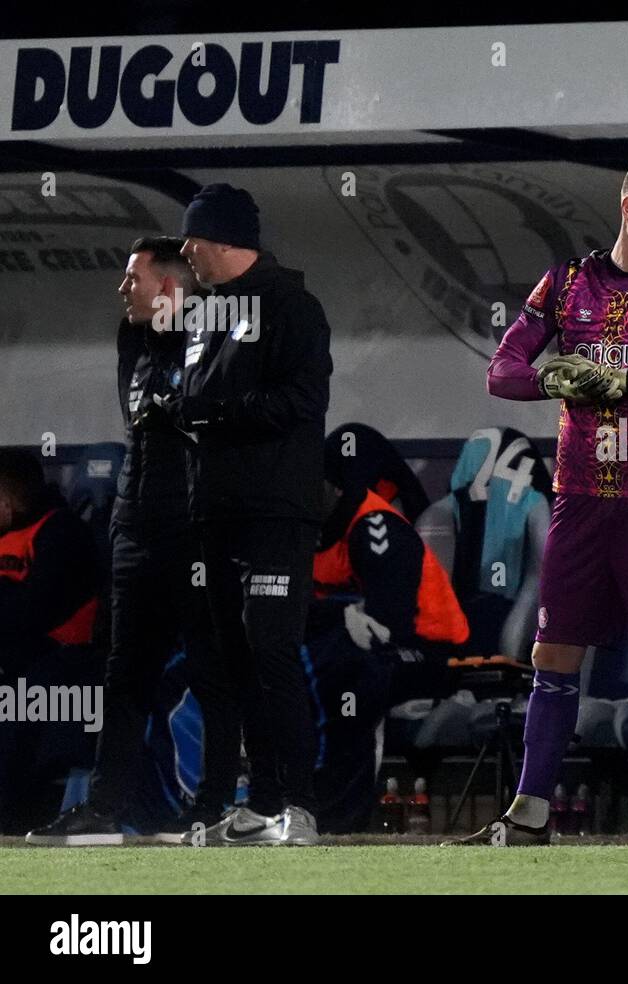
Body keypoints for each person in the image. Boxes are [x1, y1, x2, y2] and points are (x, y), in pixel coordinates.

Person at [451, 157, 628, 846]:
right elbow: (503, 371)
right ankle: (530, 814)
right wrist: (553, 382)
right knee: (553, 655)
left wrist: (614, 373)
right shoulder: (566, 282)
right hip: (577, 497)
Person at [27, 237, 242, 846]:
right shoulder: (132, 338)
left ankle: (215, 805)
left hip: (195, 528)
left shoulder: (217, 337)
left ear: (172, 287)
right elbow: (139, 426)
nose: (123, 289)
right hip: (137, 526)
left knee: (210, 669)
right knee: (124, 674)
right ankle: (104, 807)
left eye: (135, 279)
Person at [168, 183, 333, 846]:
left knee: (272, 649)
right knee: (229, 661)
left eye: (194, 238)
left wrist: (220, 413)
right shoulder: (206, 314)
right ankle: (260, 803)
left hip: (275, 511)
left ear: (224, 239)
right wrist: (186, 409)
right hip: (215, 508)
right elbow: (194, 397)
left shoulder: (293, 305)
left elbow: (303, 398)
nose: (185, 251)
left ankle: (300, 805)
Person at [307, 432, 470, 832]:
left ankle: (343, 819)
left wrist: (331, 617)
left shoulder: (376, 527)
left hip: (430, 651)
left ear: (332, 487)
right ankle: (285, 800)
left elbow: (384, 626)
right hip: (358, 645)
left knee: (358, 671)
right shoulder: (303, 529)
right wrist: (338, 615)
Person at [0, 450, 101, 834]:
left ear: (9, 498)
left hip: (59, 663)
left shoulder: (61, 533)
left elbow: (36, 612)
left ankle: (15, 819)